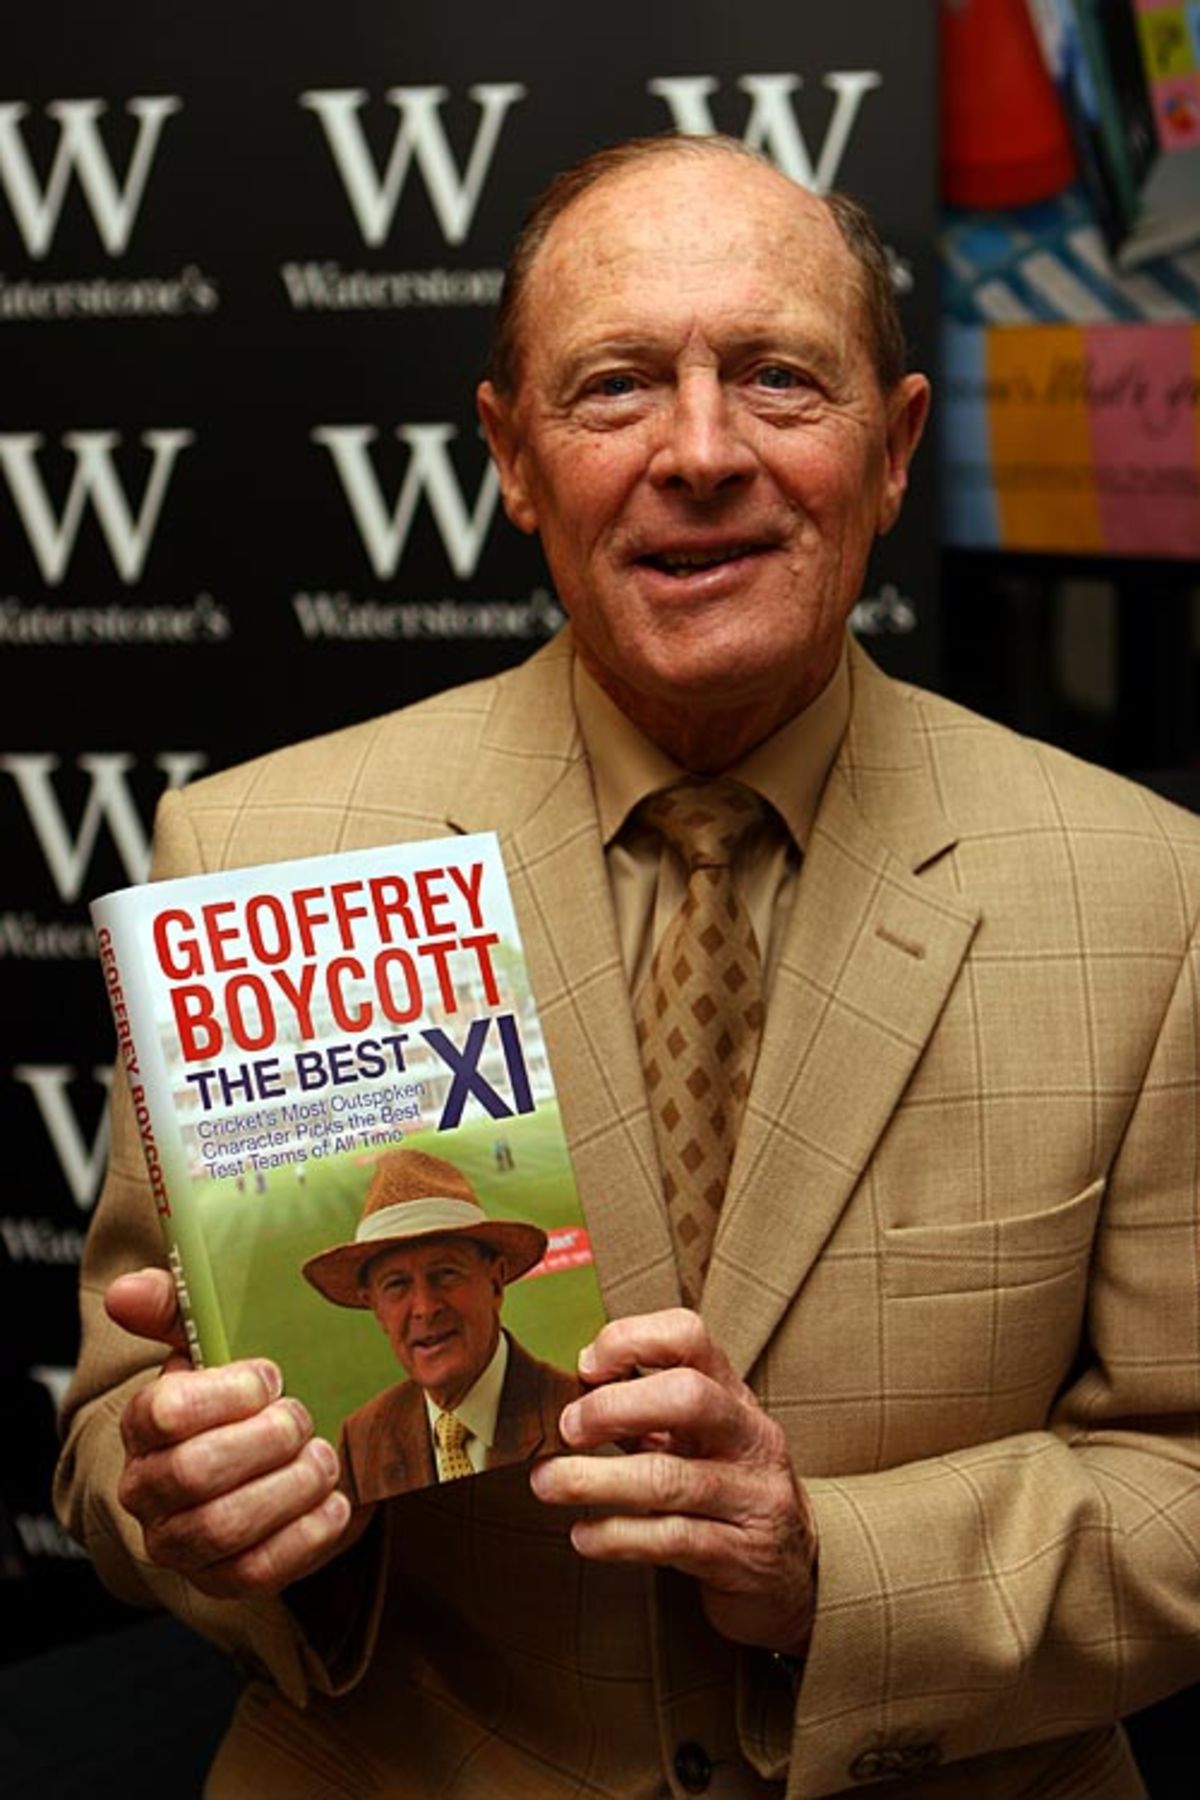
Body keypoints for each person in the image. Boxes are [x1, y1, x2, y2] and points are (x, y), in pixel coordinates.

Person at [55, 134, 1200, 1798]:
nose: (703, 452)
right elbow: (109, 1446)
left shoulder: (1146, 893)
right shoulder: (263, 857)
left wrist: (833, 1565)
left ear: (894, 451)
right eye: (615, 389)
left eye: (778, 379)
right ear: (514, 460)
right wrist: (201, 1515)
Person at [301, 1146, 579, 1503]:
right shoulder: (361, 1440)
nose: (426, 1307)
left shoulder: (575, 1418)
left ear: (495, 1283)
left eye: (446, 1274)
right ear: (376, 1309)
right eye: (396, 1285)